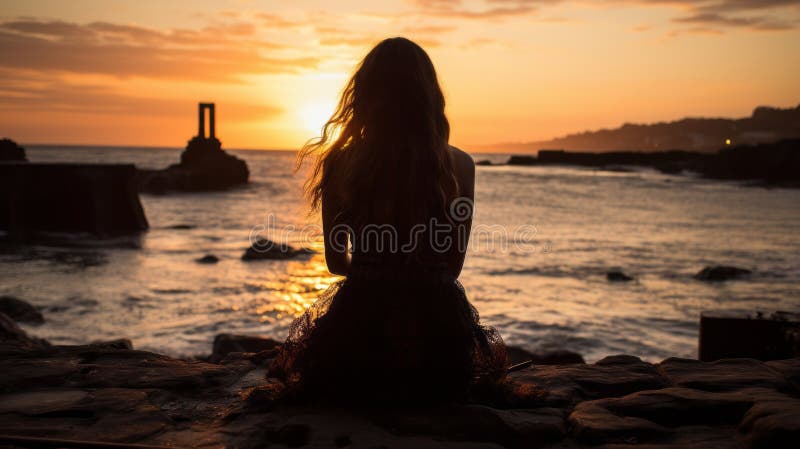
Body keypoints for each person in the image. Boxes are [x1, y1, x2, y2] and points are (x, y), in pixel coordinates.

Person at [271, 37, 507, 403]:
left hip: (362, 334)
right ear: (429, 96)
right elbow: (453, 267)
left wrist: (375, 269)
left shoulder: (342, 163)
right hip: (437, 342)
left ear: (364, 96)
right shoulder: (460, 164)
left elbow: (336, 263)